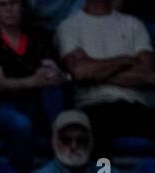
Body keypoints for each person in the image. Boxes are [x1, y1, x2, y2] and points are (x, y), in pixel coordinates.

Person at [0, 0, 66, 173]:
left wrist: (54, 74)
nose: (9, 9)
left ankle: (61, 151)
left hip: (36, 105)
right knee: (21, 124)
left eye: (14, 3)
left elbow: (51, 71)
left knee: (54, 91)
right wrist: (32, 81)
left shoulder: (36, 36)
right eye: (2, 4)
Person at [55, 0, 155, 152]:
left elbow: (148, 75)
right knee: (94, 134)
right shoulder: (69, 26)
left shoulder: (134, 24)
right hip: (95, 105)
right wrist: (125, 60)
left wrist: (94, 71)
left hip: (136, 105)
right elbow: (80, 72)